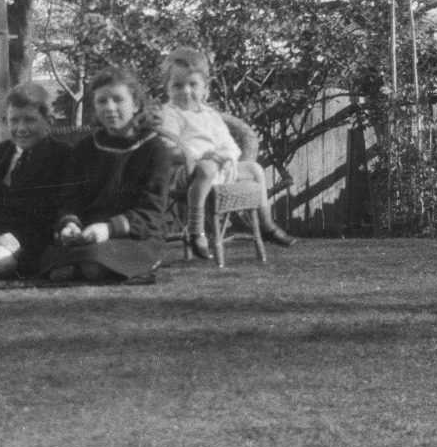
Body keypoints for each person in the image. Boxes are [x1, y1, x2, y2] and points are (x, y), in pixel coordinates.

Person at [156, 46, 294, 259]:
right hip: (185, 170)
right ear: (167, 88)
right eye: (177, 85)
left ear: (205, 87)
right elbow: (168, 145)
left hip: (217, 168)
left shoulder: (210, 115)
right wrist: (201, 155)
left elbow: (229, 144)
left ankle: (267, 225)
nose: (186, 91)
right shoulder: (171, 114)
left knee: (255, 169)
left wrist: (226, 157)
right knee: (207, 168)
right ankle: (196, 230)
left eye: (193, 84)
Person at [39, 66, 173, 283]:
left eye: (118, 99)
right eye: (102, 101)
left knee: (92, 266)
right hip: (89, 233)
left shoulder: (154, 148)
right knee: (58, 265)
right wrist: (71, 224)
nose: (110, 108)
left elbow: (152, 211)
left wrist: (109, 228)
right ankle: (83, 262)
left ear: (136, 104)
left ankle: (93, 264)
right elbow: (70, 198)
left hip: (135, 234)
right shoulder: (84, 148)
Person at [0, 83, 71, 278]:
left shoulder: (64, 156)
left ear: (49, 121)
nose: (21, 128)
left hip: (28, 247)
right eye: (14, 120)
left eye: (30, 120)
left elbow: (66, 206)